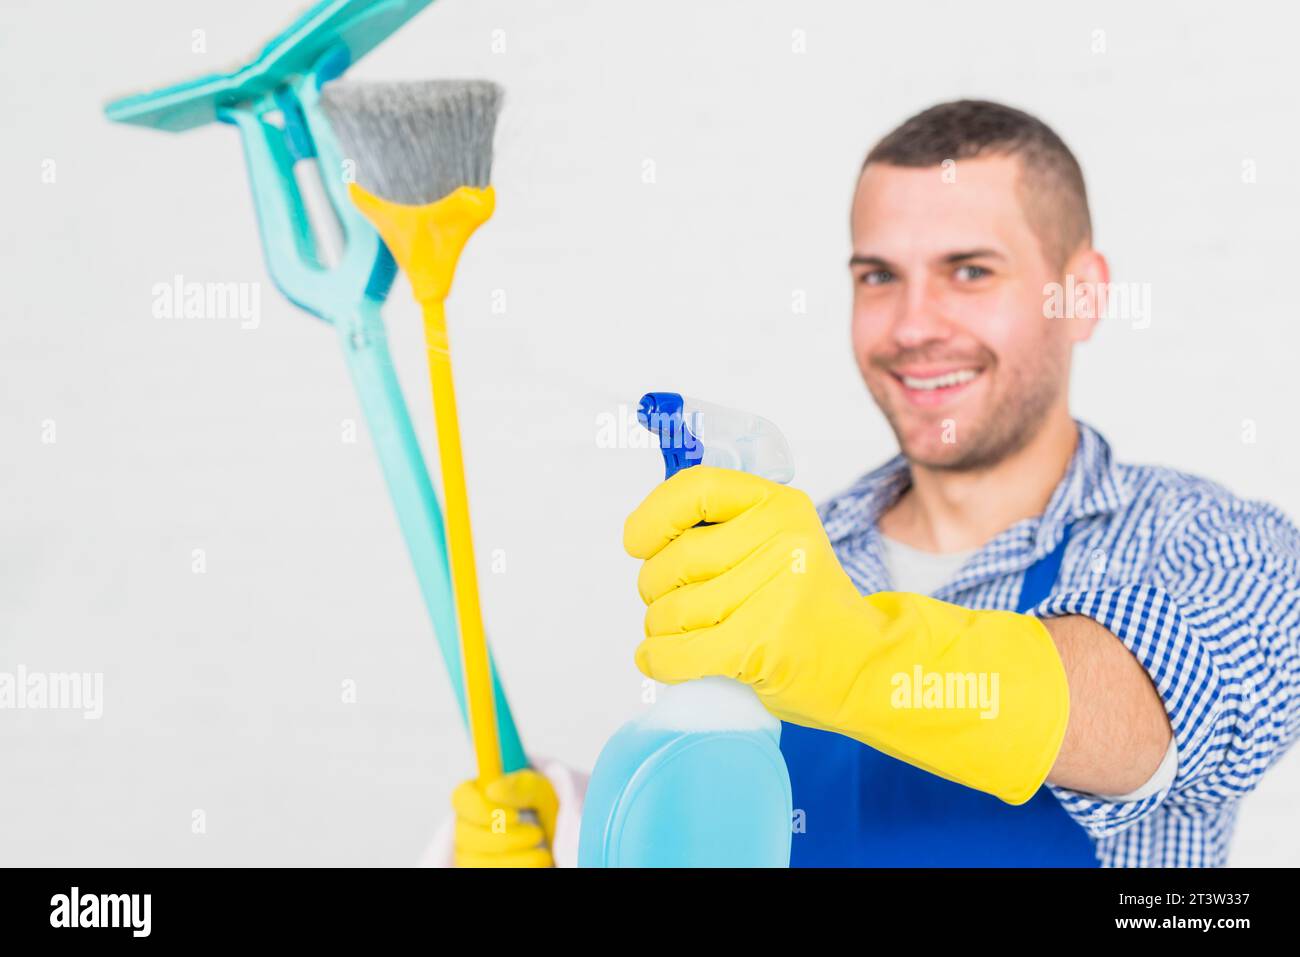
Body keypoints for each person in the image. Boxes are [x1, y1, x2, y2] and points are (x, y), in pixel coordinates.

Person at [430, 100, 1300, 868]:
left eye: (970, 270)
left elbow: (1156, 708)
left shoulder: (1221, 543)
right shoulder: (789, 553)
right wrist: (585, 839)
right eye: (878, 276)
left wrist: (856, 652)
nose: (913, 325)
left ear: (1079, 295)